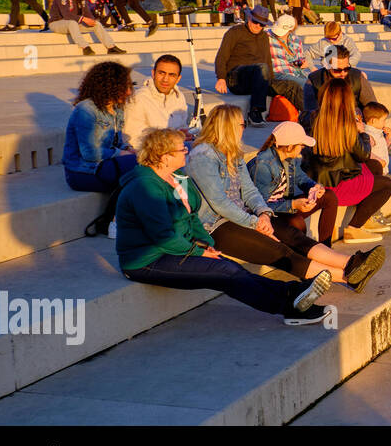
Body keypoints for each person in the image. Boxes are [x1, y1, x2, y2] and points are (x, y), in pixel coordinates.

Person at [116, 127, 333, 326]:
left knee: (231, 268)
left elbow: (192, 218)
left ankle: (292, 293)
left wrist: (207, 245)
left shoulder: (178, 178)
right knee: (225, 272)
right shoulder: (144, 188)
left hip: (178, 248)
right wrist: (199, 251)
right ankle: (291, 308)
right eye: (181, 149)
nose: (186, 151)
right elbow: (163, 237)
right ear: (164, 157)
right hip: (147, 260)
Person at [188, 105, 381, 292]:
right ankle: (347, 277)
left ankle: (351, 263)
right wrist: (255, 223)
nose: (243, 128)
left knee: (292, 235)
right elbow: (219, 203)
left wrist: (263, 213)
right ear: (227, 127)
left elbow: (249, 191)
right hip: (215, 227)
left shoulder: (233, 154)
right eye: (241, 124)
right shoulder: (203, 157)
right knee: (280, 250)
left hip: (242, 215)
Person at [248, 121, 386, 292]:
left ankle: (326, 249)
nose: (302, 149)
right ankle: (317, 265)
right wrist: (293, 204)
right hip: (269, 214)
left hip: (285, 206)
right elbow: (259, 205)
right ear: (289, 146)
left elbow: (301, 179)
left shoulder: (289, 158)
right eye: (300, 145)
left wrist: (314, 186)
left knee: (329, 196)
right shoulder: (263, 165)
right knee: (297, 223)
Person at [303, 78, 391, 242]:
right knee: (387, 185)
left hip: (318, 178)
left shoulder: (310, 117)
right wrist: (362, 133)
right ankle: (354, 228)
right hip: (338, 184)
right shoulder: (346, 124)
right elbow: (362, 154)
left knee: (374, 166)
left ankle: (366, 218)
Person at [64, 61, 138, 204]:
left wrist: (128, 149)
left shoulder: (117, 109)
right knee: (141, 170)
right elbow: (89, 153)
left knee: (149, 166)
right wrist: (122, 154)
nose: (129, 92)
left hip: (106, 164)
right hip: (83, 172)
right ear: (109, 87)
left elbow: (117, 143)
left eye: (130, 86)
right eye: (124, 87)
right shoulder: (86, 110)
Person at [214, 4, 275, 126]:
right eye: (256, 22)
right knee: (261, 68)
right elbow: (222, 56)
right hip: (236, 77)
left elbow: (267, 60)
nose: (258, 26)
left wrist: (272, 80)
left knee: (290, 85)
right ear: (249, 18)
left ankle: (310, 112)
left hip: (256, 78)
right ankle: (255, 112)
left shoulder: (264, 37)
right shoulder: (235, 32)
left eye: (262, 24)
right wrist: (221, 77)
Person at [123, 54, 193, 148]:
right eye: (161, 73)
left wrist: (184, 135)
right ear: (153, 73)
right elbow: (131, 140)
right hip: (150, 156)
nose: (165, 79)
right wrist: (170, 140)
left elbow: (183, 127)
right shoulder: (139, 99)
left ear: (178, 79)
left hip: (177, 151)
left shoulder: (179, 97)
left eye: (171, 75)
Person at [49, 0, 127, 56]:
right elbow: (66, 15)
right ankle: (85, 47)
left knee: (96, 24)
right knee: (72, 23)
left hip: (74, 24)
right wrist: (84, 19)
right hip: (57, 23)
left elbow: (87, 13)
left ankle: (111, 47)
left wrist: (92, 21)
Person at [304, 45, 379, 116]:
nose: (343, 73)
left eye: (346, 69)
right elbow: (309, 114)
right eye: (337, 70)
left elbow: (373, 108)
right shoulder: (314, 81)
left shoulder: (357, 77)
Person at [268, 14, 310, 111]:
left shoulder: (296, 40)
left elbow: (299, 59)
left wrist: (303, 63)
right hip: (278, 73)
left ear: (290, 30)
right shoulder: (267, 37)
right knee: (308, 85)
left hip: (296, 72)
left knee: (317, 81)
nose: (278, 34)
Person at [360, 101, 391, 173]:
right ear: (373, 120)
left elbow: (382, 146)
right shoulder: (369, 135)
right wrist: (379, 161)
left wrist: (388, 137)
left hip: (382, 169)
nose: (385, 123)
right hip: (375, 170)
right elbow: (367, 152)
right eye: (383, 120)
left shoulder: (377, 132)